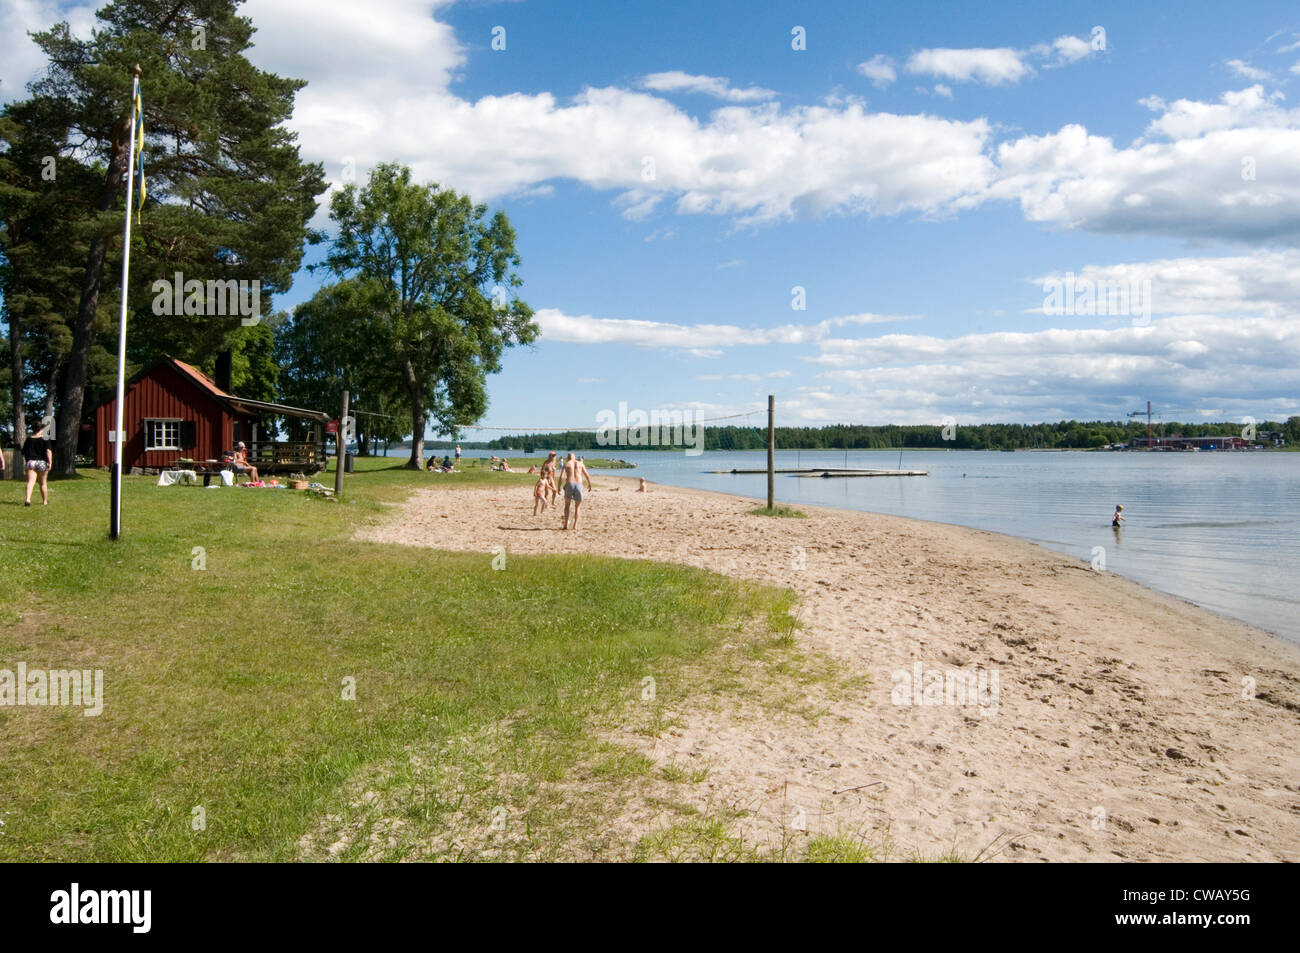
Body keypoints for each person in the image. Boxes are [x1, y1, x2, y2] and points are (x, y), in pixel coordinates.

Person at [23, 420, 53, 506]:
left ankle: (28, 499)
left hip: (31, 462)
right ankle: (45, 501)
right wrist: (50, 463)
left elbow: (24, 452)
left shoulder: (29, 439)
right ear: (41, 428)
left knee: (30, 482)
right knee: (43, 483)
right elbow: (48, 451)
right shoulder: (45, 438)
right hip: (41, 462)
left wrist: (27, 461)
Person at [560, 452, 592, 530]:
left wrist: (558, 487)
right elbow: (587, 475)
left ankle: (565, 525)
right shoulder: (580, 463)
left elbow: (561, 476)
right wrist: (589, 484)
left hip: (569, 483)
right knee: (577, 507)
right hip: (578, 484)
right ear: (574, 457)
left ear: (568, 457)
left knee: (567, 506)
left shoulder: (566, 464)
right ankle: (575, 525)